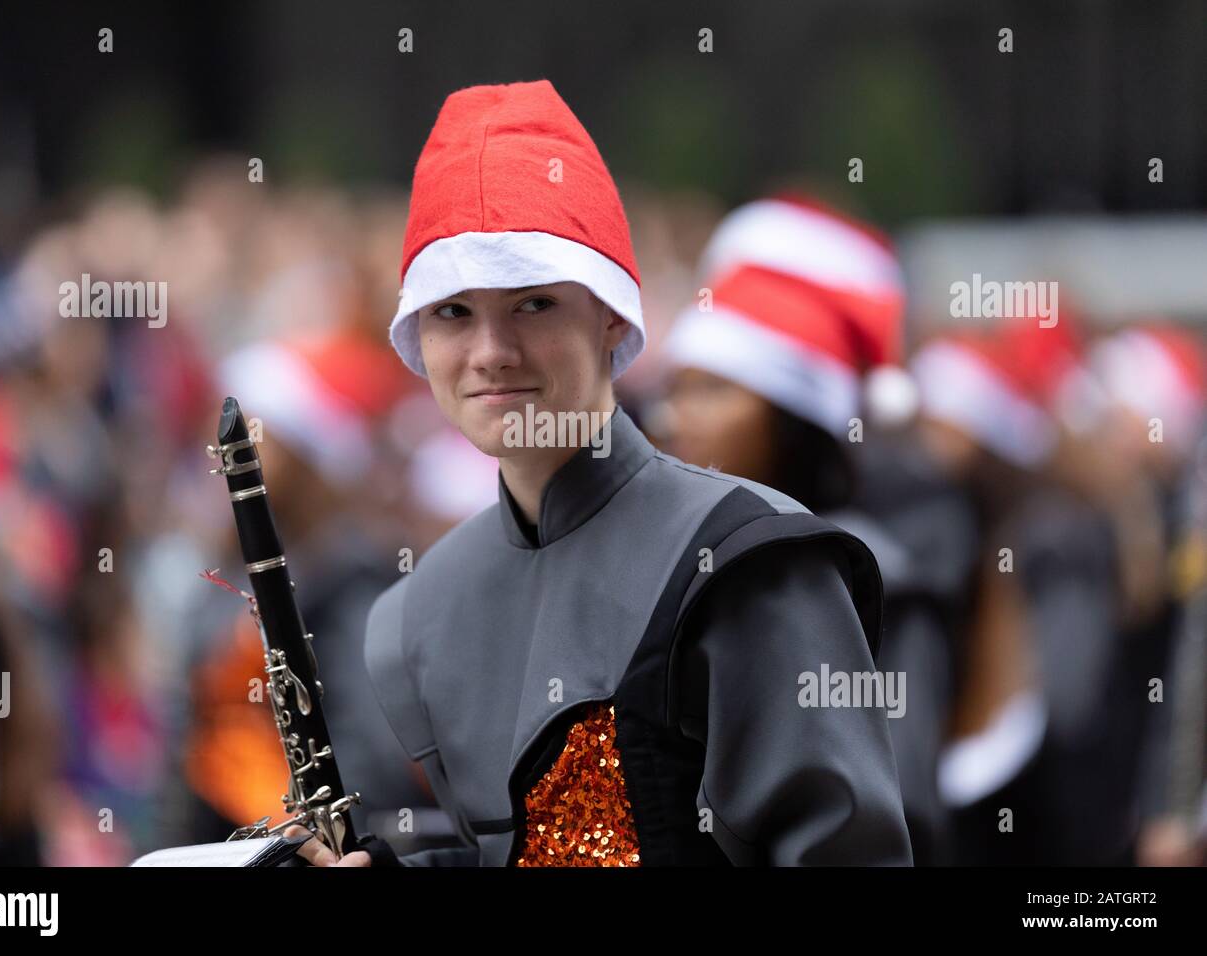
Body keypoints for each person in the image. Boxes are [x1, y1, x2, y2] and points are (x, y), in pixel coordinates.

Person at [294, 78, 911, 867]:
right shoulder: (419, 611)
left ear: (614, 314)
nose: (490, 353)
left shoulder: (746, 559)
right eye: (453, 311)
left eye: (534, 304)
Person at [658, 194, 956, 864]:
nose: (676, 419)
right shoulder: (672, 560)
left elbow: (896, 818)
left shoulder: (875, 578)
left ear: (793, 421)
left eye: (711, 390)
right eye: (674, 390)